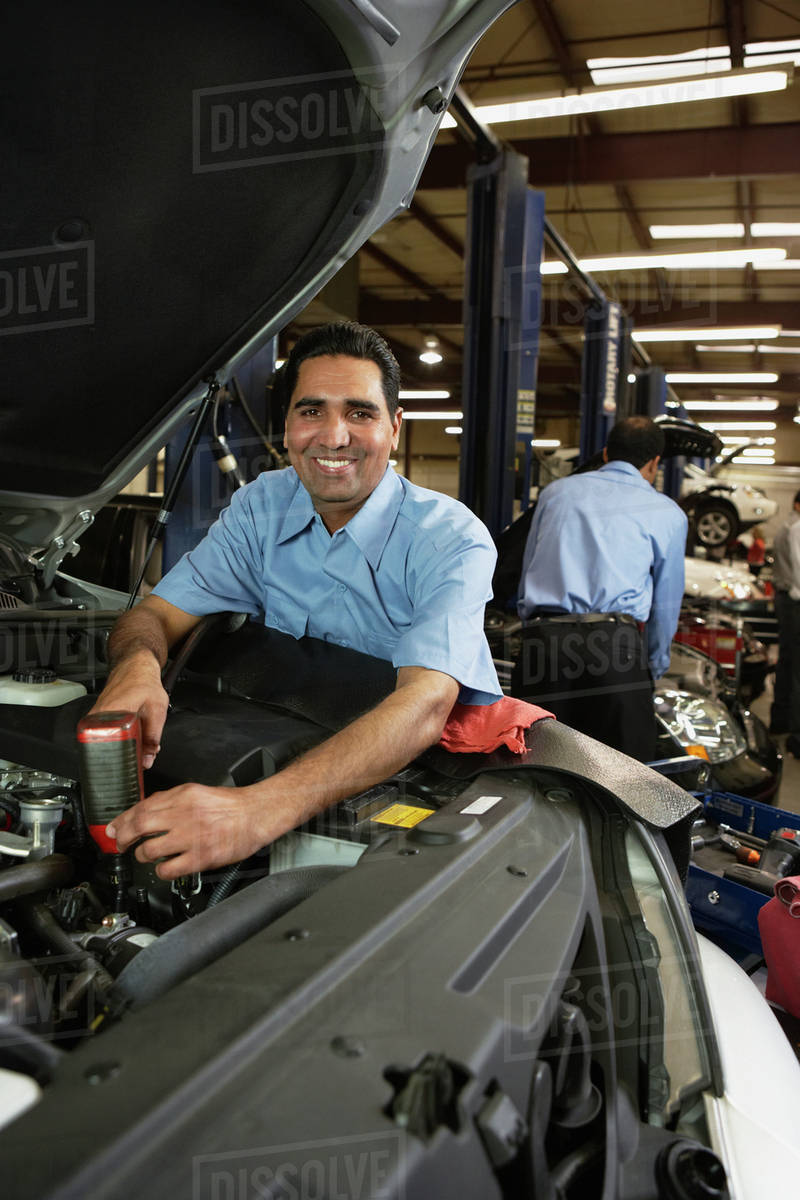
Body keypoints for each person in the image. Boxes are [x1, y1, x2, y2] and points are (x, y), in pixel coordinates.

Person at [92, 321, 502, 878]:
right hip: (287, 737)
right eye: (311, 411)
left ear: (395, 428)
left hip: (414, 772)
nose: (334, 436)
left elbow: (425, 703)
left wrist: (257, 811)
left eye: (361, 412)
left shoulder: (450, 540)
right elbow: (156, 614)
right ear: (287, 427)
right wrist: (137, 668)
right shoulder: (262, 507)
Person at [511, 416, 687, 761]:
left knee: (534, 767)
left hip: (544, 645)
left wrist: (532, 628)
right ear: (653, 464)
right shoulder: (667, 513)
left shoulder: (556, 493)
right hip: (616, 649)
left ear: (606, 453)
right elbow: (666, 605)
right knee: (622, 778)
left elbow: (528, 564)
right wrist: (652, 664)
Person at [770, 491, 800, 756]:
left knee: (788, 661)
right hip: (793, 600)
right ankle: (791, 729)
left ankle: (781, 721)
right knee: (794, 666)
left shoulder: (788, 526)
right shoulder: (796, 527)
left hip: (786, 598)